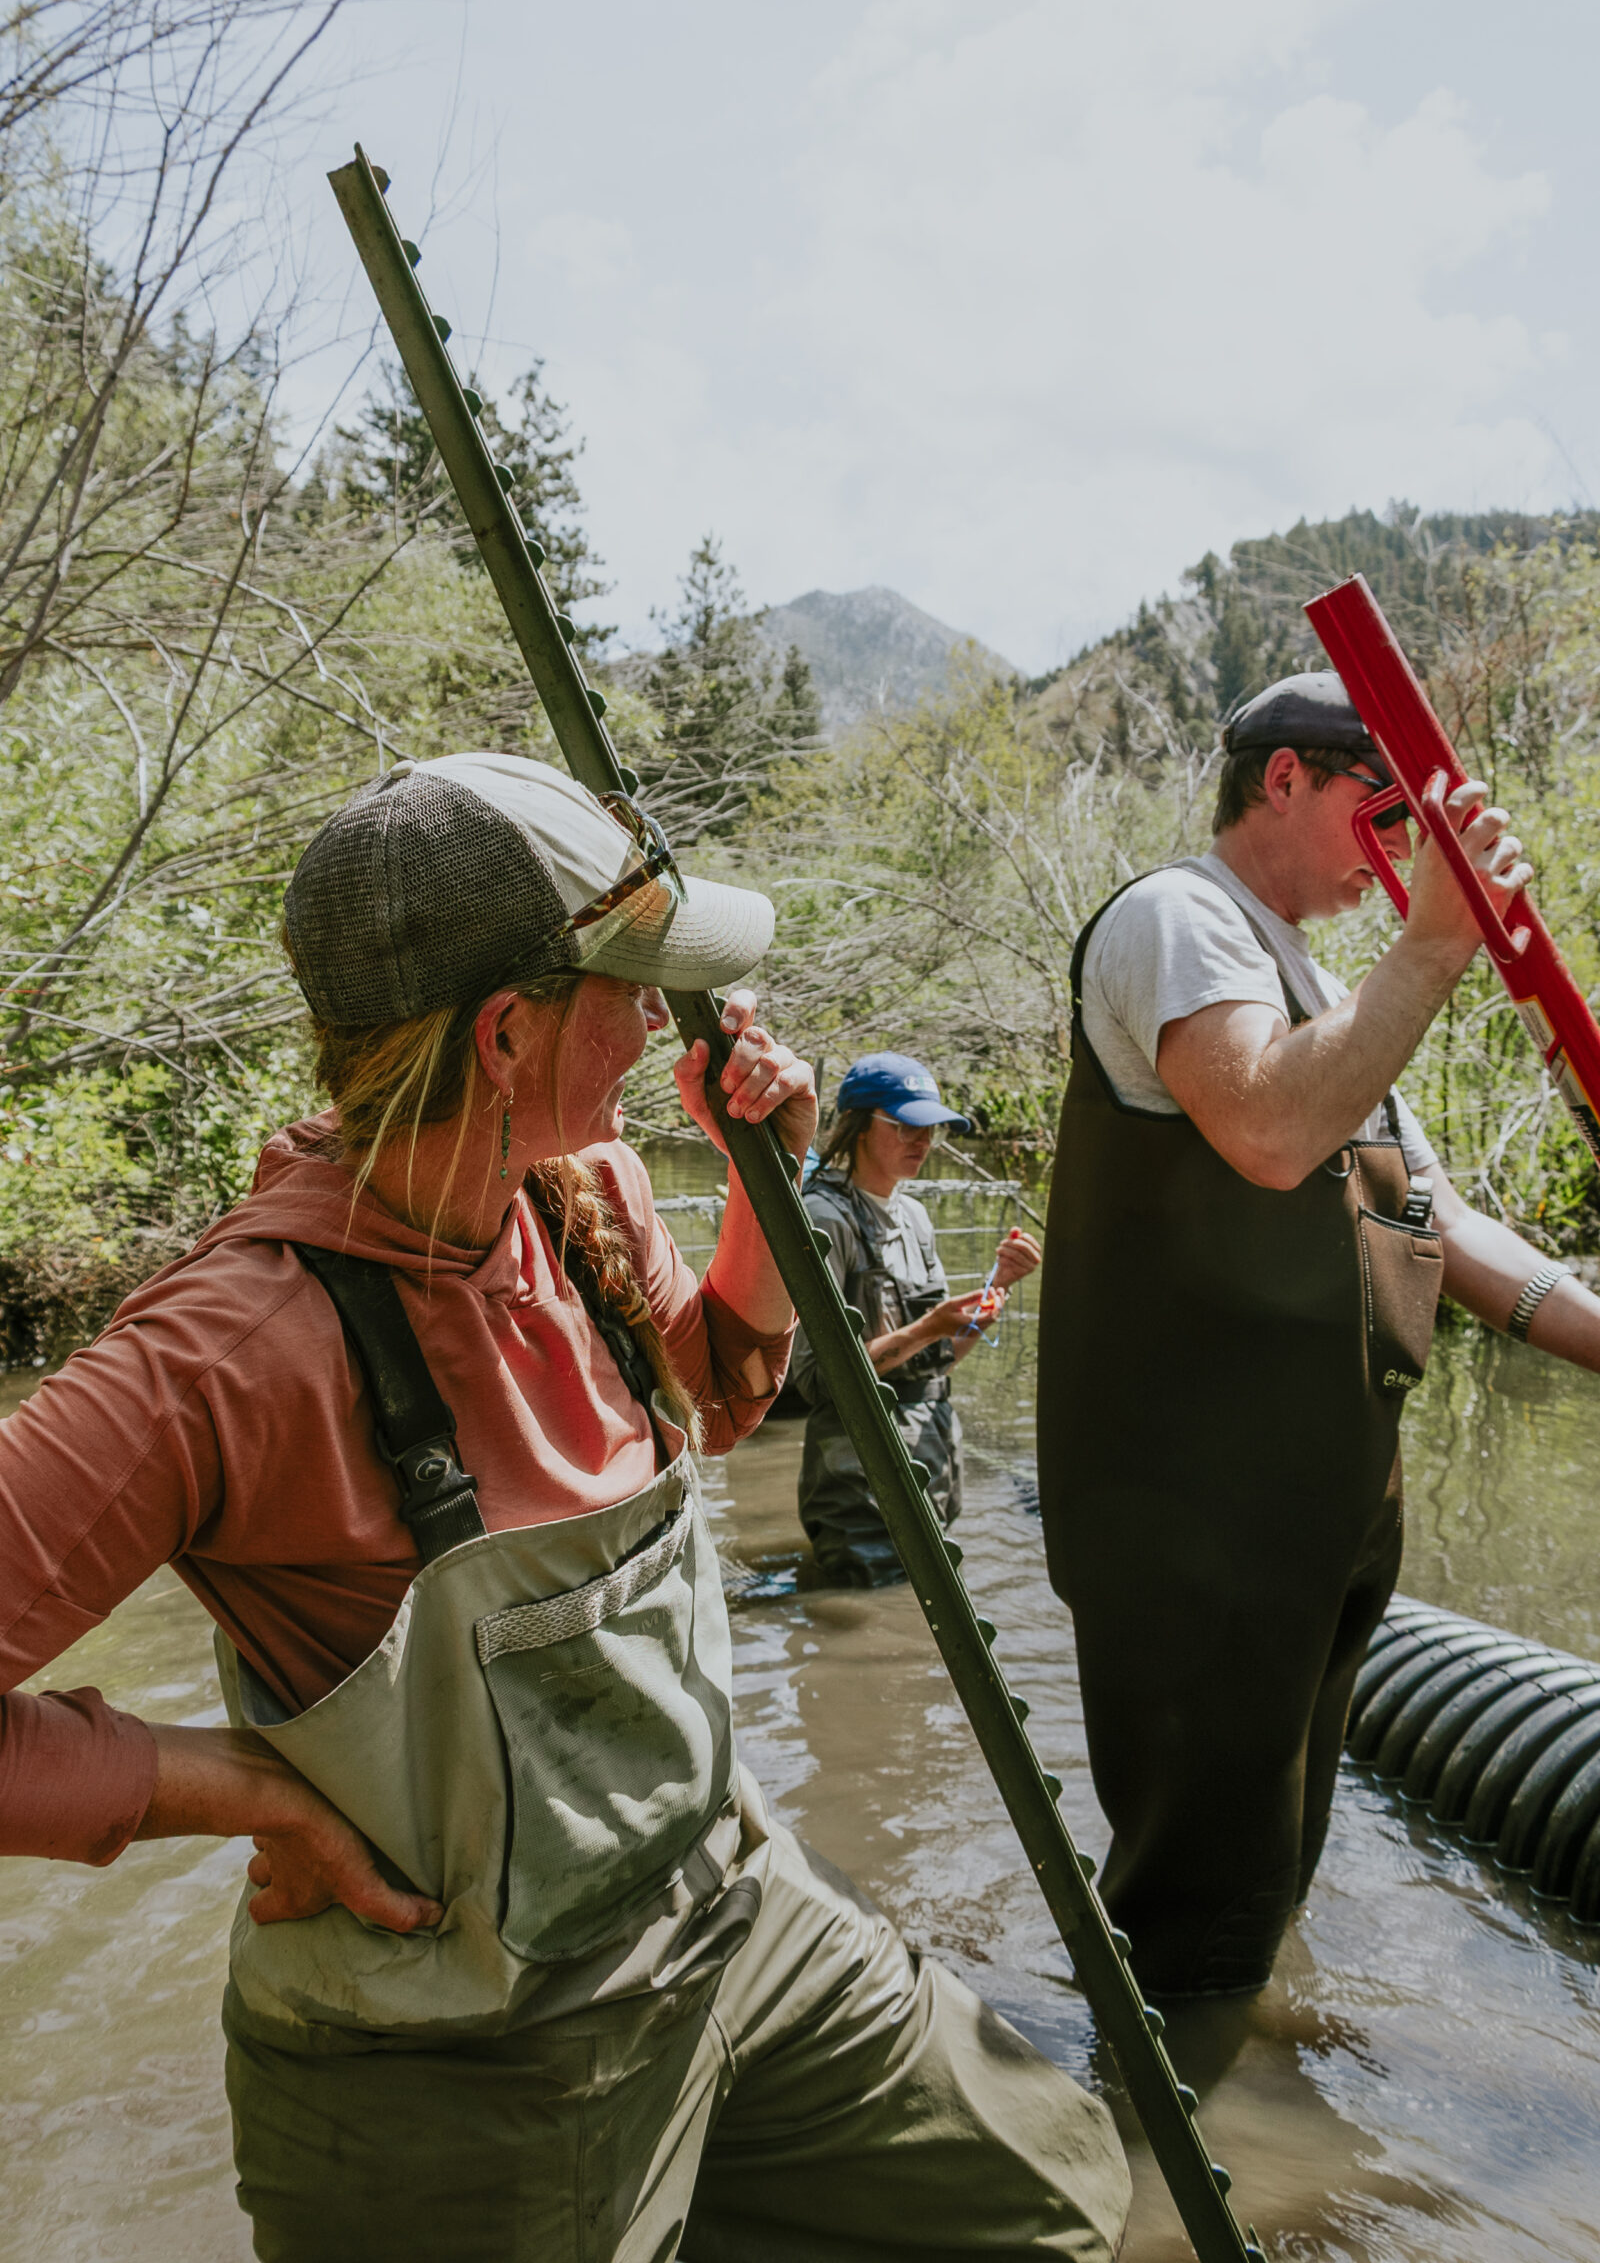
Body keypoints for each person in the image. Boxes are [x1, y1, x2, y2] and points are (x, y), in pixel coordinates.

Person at [0, 753, 1128, 2263]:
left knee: (1047, 2205)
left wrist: (758, 1183)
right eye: (634, 986)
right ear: (512, 1030)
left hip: (727, 1905)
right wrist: (240, 1789)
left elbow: (720, 1399)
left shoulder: (568, 1187)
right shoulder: (231, 1350)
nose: (661, 1020)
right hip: (471, 2067)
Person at [1036, 672, 1600, 2002]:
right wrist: (1435, 950)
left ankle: (1241, 2168)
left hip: (1313, 1519)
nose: (1403, 853)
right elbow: (1271, 1129)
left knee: (1268, 1881)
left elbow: (1440, 1219)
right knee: (1201, 1914)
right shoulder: (1181, 919)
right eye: (1385, 809)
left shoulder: (1316, 978)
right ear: (1282, 778)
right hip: (1199, 1525)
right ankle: (1143, 2183)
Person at [791, 1052, 1040, 1586]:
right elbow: (817, 1380)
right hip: (861, 1477)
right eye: (906, 1126)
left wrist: (992, 1295)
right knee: (863, 1624)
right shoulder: (823, 1218)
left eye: (933, 1130)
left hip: (933, 1463)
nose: (922, 1142)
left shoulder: (915, 1215)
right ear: (858, 1126)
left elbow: (937, 1362)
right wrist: (931, 1326)